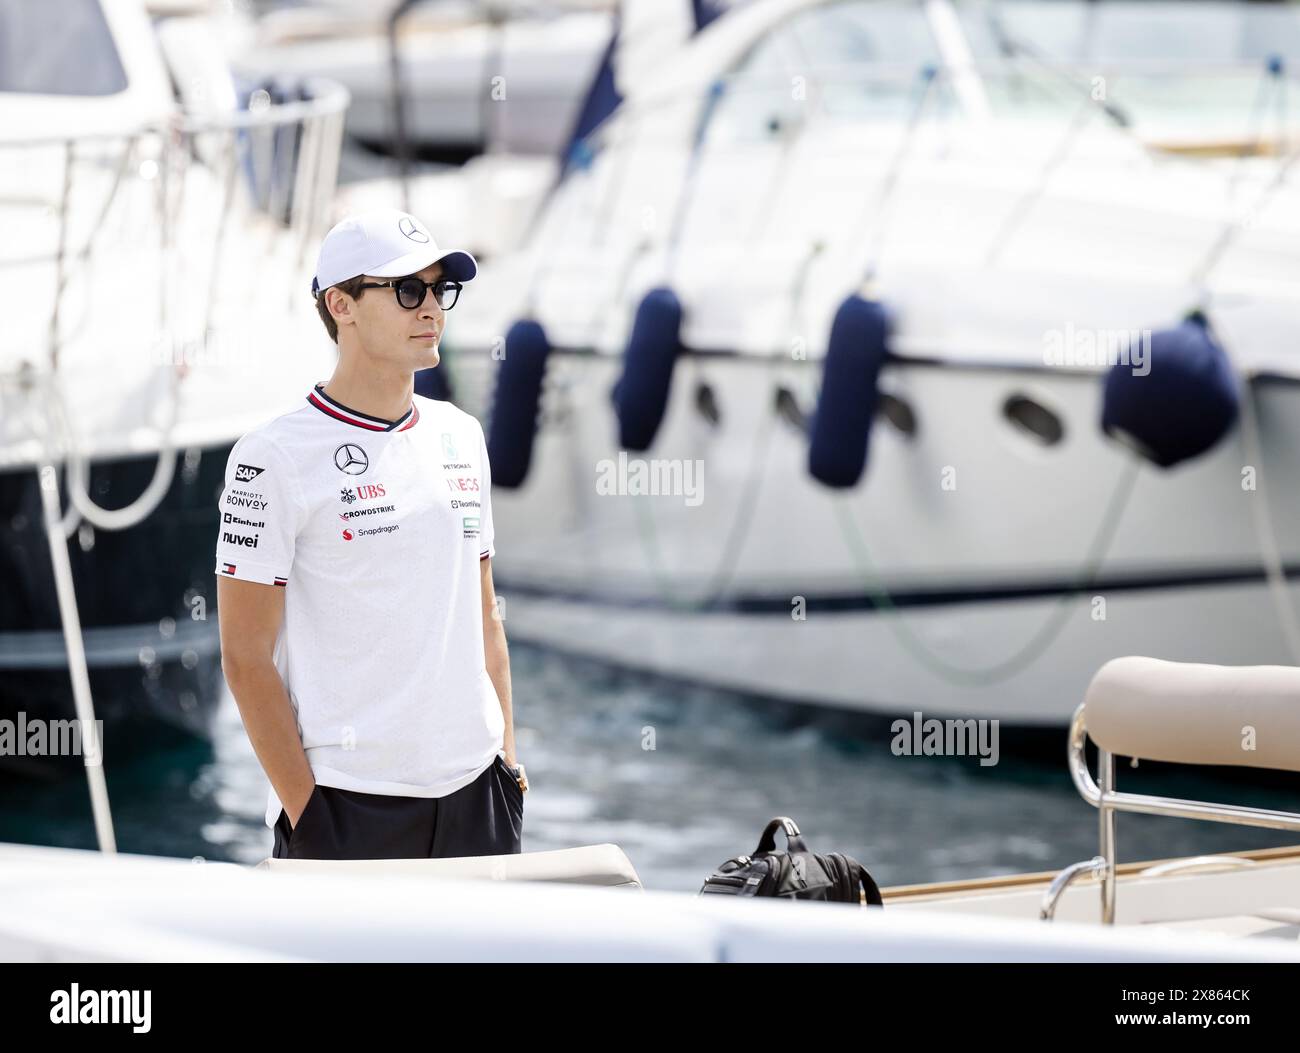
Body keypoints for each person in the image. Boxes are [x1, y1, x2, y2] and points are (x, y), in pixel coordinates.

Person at [214, 207, 526, 860]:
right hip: (349, 807)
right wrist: (311, 820)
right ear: (341, 304)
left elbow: (484, 615)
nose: (431, 309)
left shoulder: (461, 436)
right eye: (408, 290)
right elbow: (245, 658)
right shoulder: (270, 457)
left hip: (479, 797)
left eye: (440, 290)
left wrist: (508, 764)